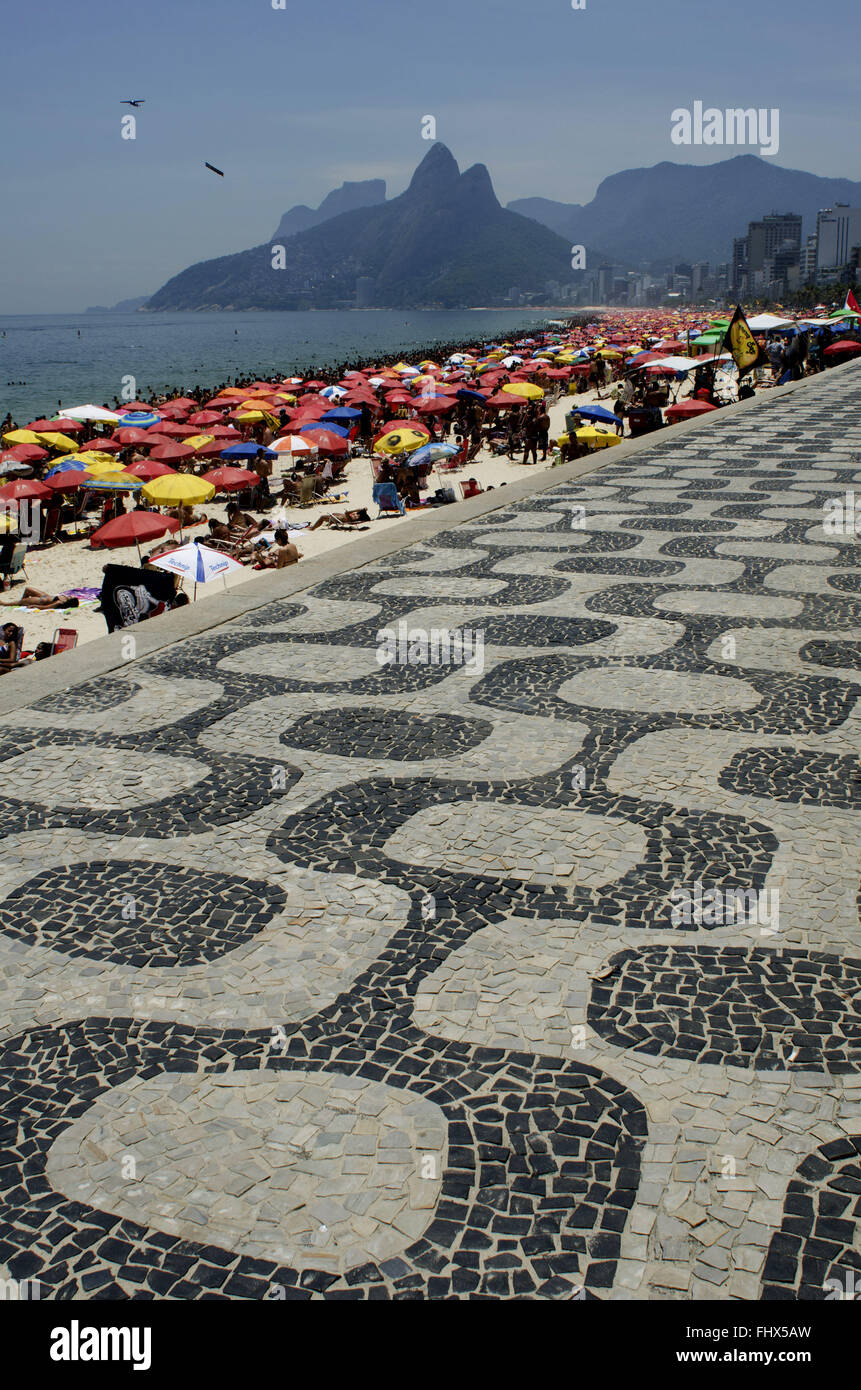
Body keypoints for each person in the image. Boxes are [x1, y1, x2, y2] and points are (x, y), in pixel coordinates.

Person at [0, 586, 80, 610]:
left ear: (71, 600)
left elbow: (45, 607)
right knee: (28, 589)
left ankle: (4, 603)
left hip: (41, 601)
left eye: (72, 597)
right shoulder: (65, 598)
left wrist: (35, 606)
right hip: (44, 595)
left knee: (18, 602)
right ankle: (22, 602)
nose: (72, 596)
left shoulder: (60, 603)